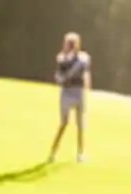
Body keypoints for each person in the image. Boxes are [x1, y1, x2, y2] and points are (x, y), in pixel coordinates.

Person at [48, 32, 90, 163]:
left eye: (73, 43)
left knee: (80, 124)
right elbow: (60, 74)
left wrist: (87, 87)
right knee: (64, 123)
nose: (71, 46)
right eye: (69, 43)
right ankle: (53, 152)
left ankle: (80, 153)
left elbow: (85, 70)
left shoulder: (83, 58)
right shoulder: (62, 59)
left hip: (78, 92)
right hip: (67, 93)